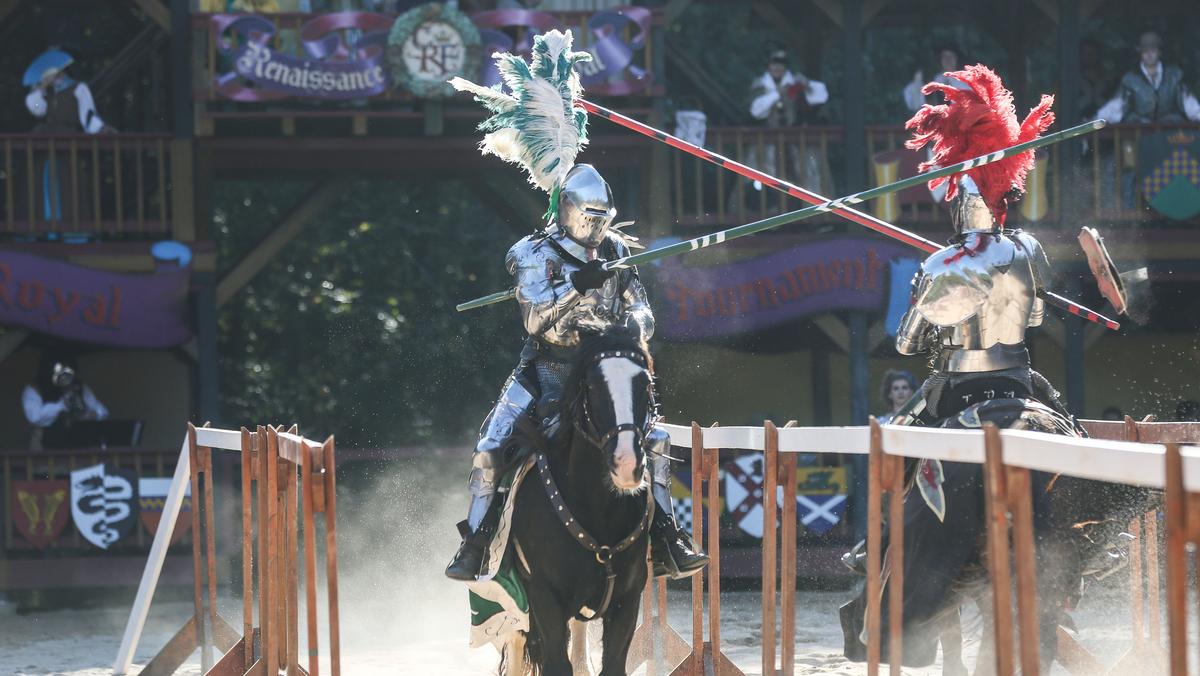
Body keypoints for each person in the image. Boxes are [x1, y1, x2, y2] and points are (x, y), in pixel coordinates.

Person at [445, 31, 707, 582]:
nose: (596, 226)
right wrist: (577, 287)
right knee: (491, 445)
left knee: (655, 439)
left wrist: (630, 330)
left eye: (602, 218)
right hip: (546, 368)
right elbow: (535, 320)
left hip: (605, 368)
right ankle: (476, 542)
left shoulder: (616, 252)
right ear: (566, 209)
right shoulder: (532, 252)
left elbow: (644, 314)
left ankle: (667, 534)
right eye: (588, 216)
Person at [892, 65, 1073, 429]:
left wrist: (946, 320)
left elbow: (906, 345)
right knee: (1068, 423)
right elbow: (1035, 318)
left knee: (891, 441)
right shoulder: (1028, 247)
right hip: (1018, 376)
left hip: (956, 382)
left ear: (959, 206)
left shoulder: (942, 264)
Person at [746, 49, 832, 195]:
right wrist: (777, 94)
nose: (777, 67)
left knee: (809, 177)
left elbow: (821, 96)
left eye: (782, 63)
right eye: (774, 63)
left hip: (797, 145)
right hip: (767, 145)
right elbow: (756, 111)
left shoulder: (795, 82)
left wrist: (807, 85)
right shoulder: (760, 84)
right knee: (758, 179)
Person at [1096, 31, 1200, 125]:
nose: (1149, 54)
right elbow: (1116, 106)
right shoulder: (1130, 80)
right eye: (1145, 51)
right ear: (1140, 53)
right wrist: (1095, 123)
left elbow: (1190, 104)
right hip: (1139, 132)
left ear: (1159, 52)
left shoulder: (1175, 76)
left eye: (1153, 50)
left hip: (1169, 131)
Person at [23, 352, 108, 450]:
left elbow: (102, 411)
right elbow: (35, 418)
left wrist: (93, 414)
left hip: (78, 448)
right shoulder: (34, 389)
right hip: (46, 450)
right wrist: (61, 405)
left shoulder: (79, 386)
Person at [902, 44, 970, 113]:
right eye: (944, 56)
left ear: (957, 58)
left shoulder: (965, 80)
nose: (948, 60)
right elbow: (917, 105)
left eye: (951, 56)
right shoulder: (934, 80)